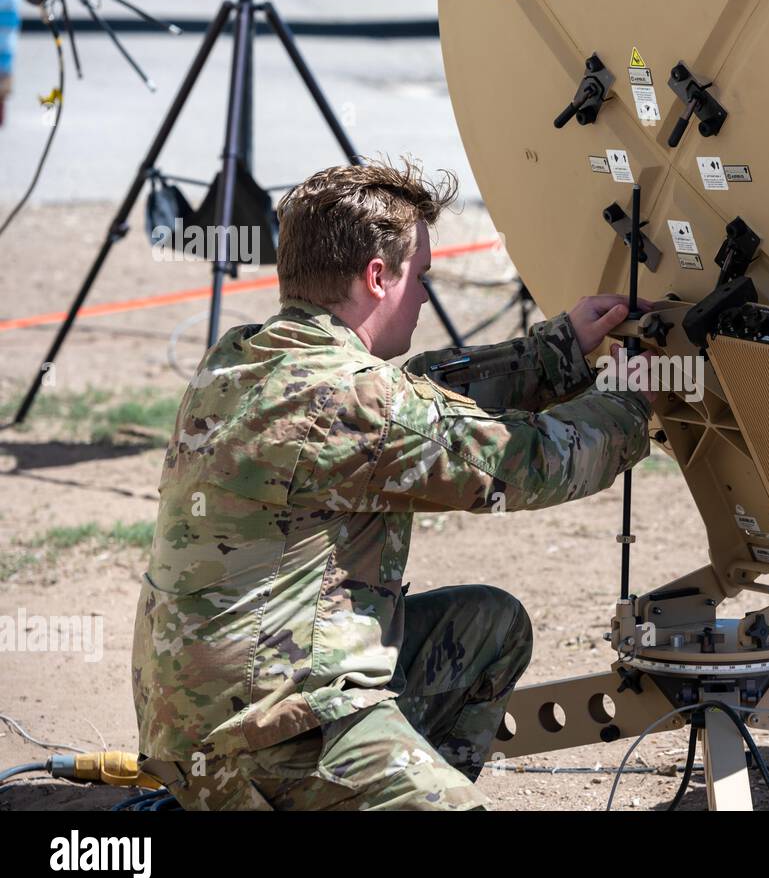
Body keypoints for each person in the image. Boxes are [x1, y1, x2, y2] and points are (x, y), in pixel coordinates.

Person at [132, 158, 659, 809]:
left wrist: (563, 349)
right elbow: (529, 462)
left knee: (487, 625)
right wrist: (633, 400)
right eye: (421, 277)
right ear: (378, 277)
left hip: (205, 725)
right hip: (265, 744)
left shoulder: (242, 356)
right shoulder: (349, 401)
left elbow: (425, 389)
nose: (423, 297)